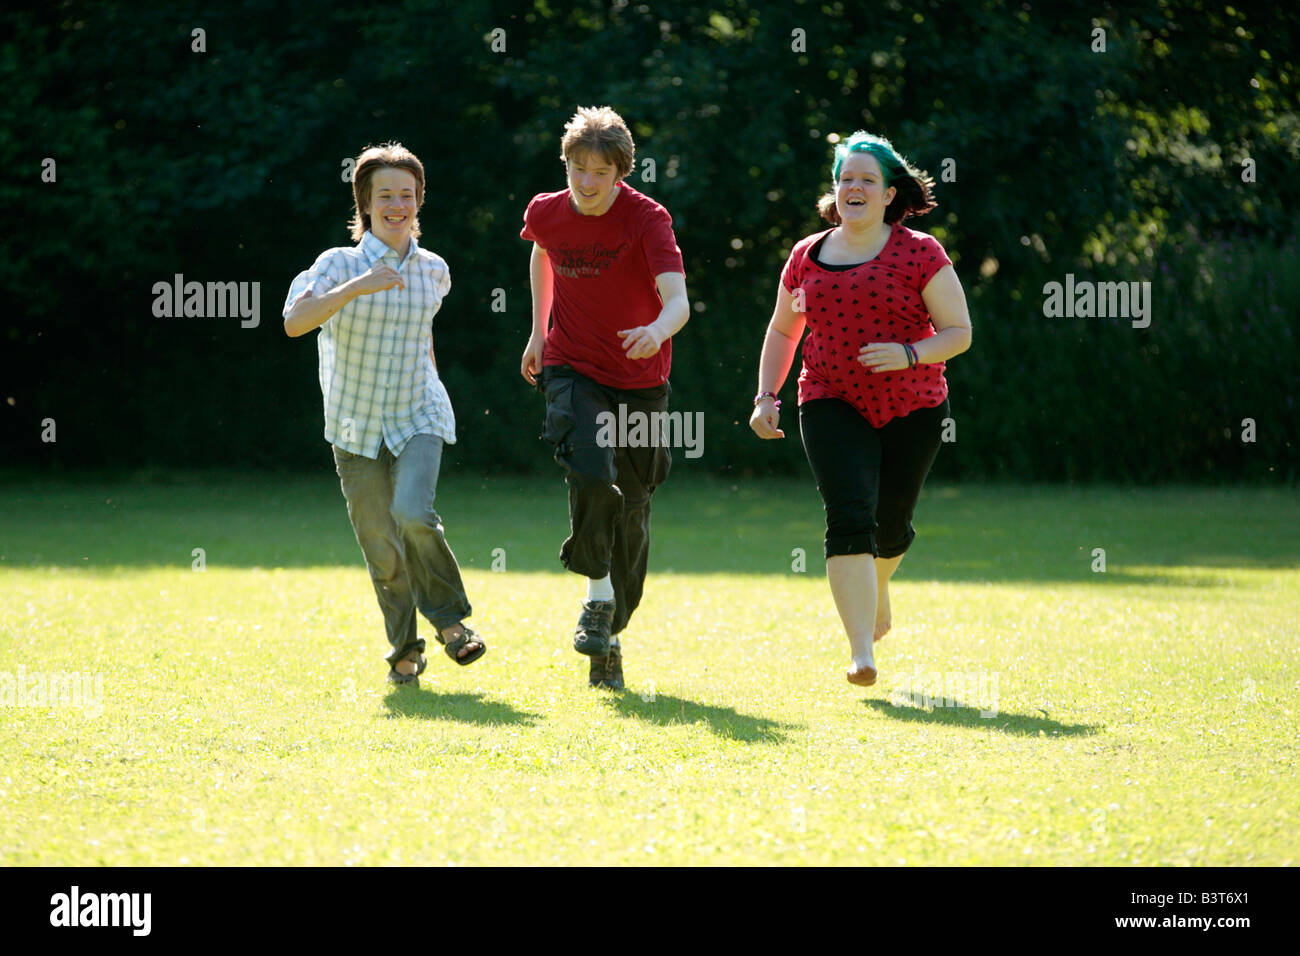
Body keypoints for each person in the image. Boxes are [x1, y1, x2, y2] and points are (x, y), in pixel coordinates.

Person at [749, 131, 972, 687]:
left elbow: (960, 332)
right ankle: (860, 653)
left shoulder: (921, 252)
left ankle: (880, 584)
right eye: (846, 178)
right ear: (835, 189)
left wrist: (908, 354)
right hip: (829, 398)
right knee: (848, 515)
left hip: (914, 405)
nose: (854, 187)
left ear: (890, 193)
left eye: (867, 180)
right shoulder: (806, 255)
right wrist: (765, 397)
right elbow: (782, 329)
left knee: (890, 529)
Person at [282, 142, 484, 688]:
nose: (397, 204)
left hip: (417, 411)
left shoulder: (434, 270)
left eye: (407, 194)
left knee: (414, 512)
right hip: (353, 422)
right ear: (365, 203)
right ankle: (404, 649)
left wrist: (436, 388)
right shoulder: (337, 264)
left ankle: (450, 622)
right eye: (385, 195)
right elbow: (295, 322)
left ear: (419, 201)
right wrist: (356, 287)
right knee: (382, 546)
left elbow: (424, 338)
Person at [519, 106, 690, 691]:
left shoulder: (648, 219)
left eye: (600, 171)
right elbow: (541, 252)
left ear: (621, 172)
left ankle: (611, 634)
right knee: (591, 473)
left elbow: (678, 300)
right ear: (565, 164)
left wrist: (657, 331)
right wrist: (540, 332)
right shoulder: (545, 211)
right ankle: (595, 600)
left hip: (641, 382)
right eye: (577, 168)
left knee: (634, 510)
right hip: (572, 369)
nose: (586, 183)